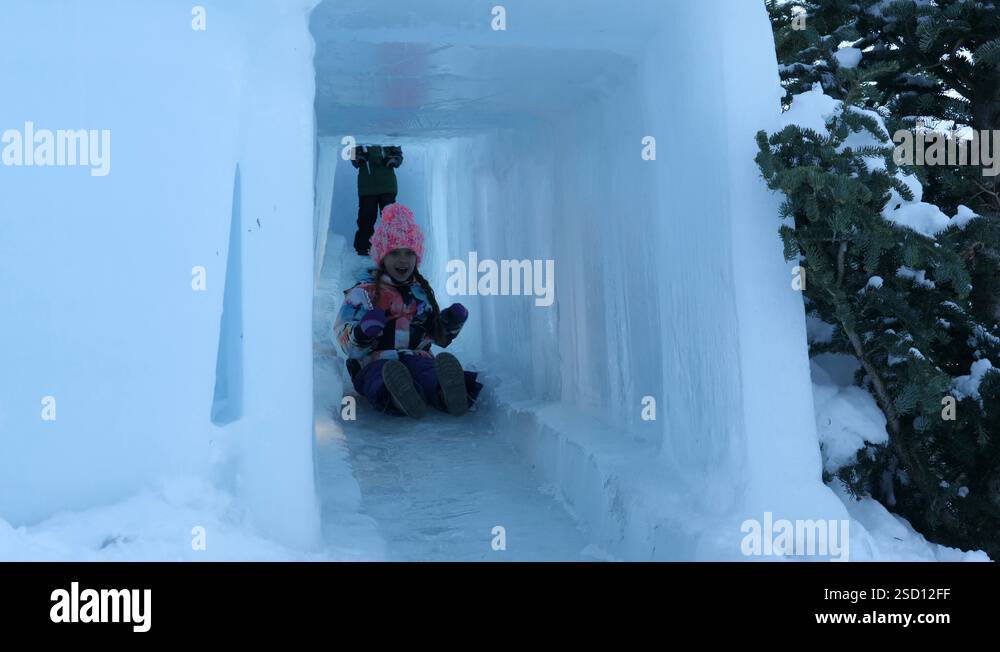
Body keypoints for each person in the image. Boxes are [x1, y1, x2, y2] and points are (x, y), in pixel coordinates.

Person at [333, 203, 483, 418]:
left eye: (408, 253)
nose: (403, 260)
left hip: (415, 357)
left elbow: (433, 336)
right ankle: (398, 396)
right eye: (394, 253)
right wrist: (362, 332)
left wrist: (450, 323)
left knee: (428, 372)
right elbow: (344, 336)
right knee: (379, 377)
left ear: (417, 257)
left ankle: (444, 392)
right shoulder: (363, 293)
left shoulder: (420, 293)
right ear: (382, 257)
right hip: (374, 361)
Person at [351, 144, 403, 256]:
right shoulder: (359, 134)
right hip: (367, 187)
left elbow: (398, 156)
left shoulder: (389, 133)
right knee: (366, 219)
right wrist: (358, 157)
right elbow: (352, 157)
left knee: (390, 220)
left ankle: (392, 249)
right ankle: (363, 250)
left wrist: (393, 160)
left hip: (387, 186)